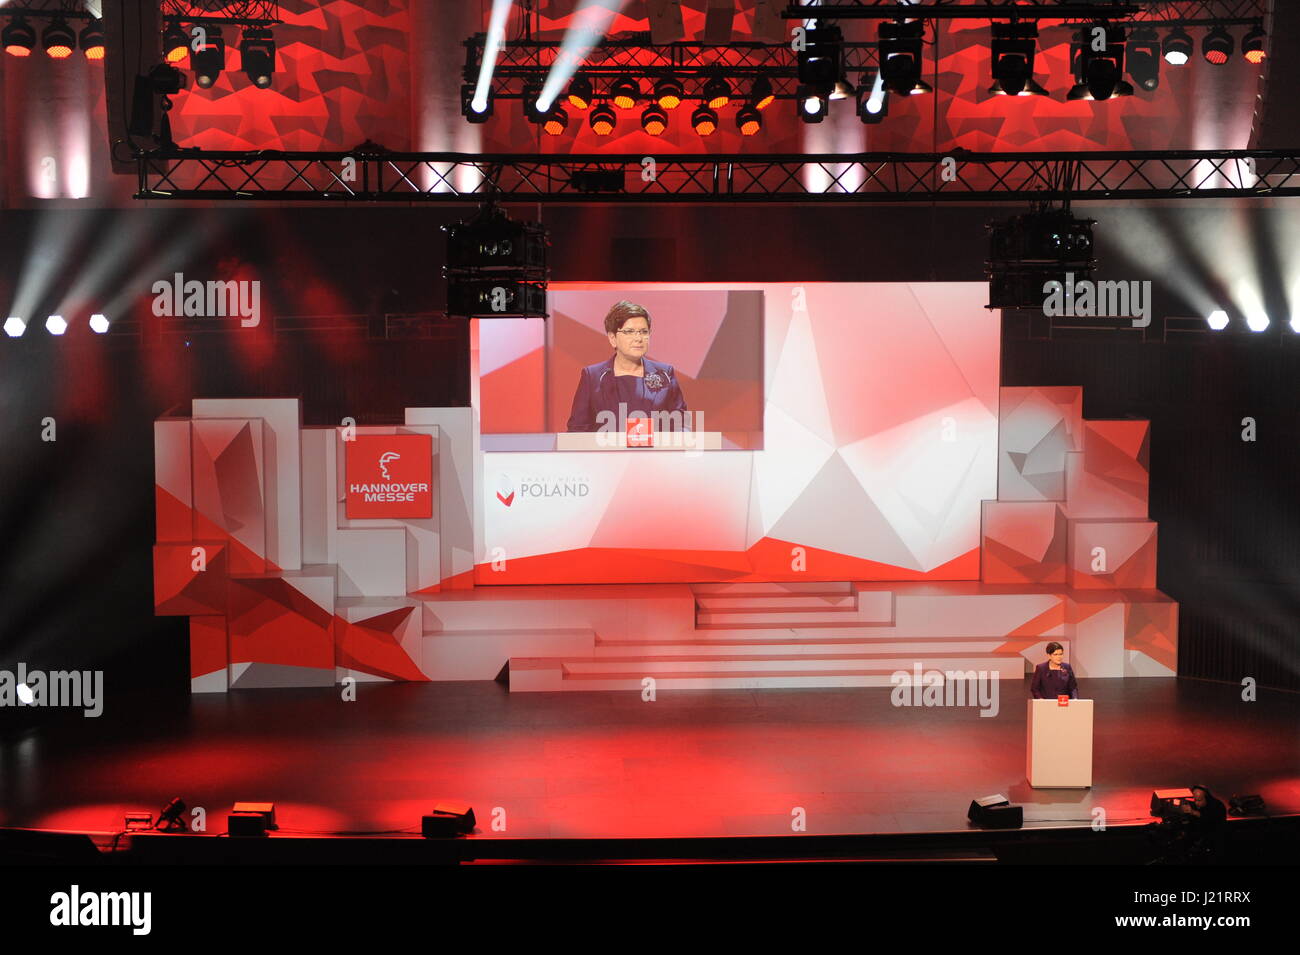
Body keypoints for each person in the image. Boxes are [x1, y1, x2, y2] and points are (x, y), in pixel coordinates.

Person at [565, 300, 690, 433]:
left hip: (655, 453)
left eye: (643, 332)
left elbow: (681, 426)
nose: (638, 338)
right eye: (629, 331)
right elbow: (577, 430)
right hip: (606, 452)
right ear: (612, 338)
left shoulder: (664, 373)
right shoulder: (593, 376)